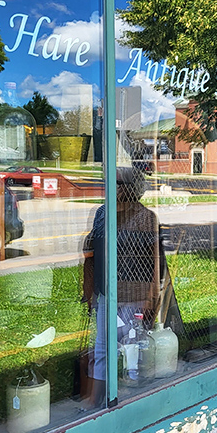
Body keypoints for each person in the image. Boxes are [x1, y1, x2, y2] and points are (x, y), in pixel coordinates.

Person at [82, 166, 182, 406]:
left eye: (116, 184)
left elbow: (155, 260)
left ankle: (131, 398)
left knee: (133, 349)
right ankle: (97, 399)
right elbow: (92, 252)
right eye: (109, 183)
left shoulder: (147, 217)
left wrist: (152, 297)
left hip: (136, 294)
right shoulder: (102, 214)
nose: (110, 188)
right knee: (102, 348)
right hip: (107, 291)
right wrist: (89, 289)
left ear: (130, 189)